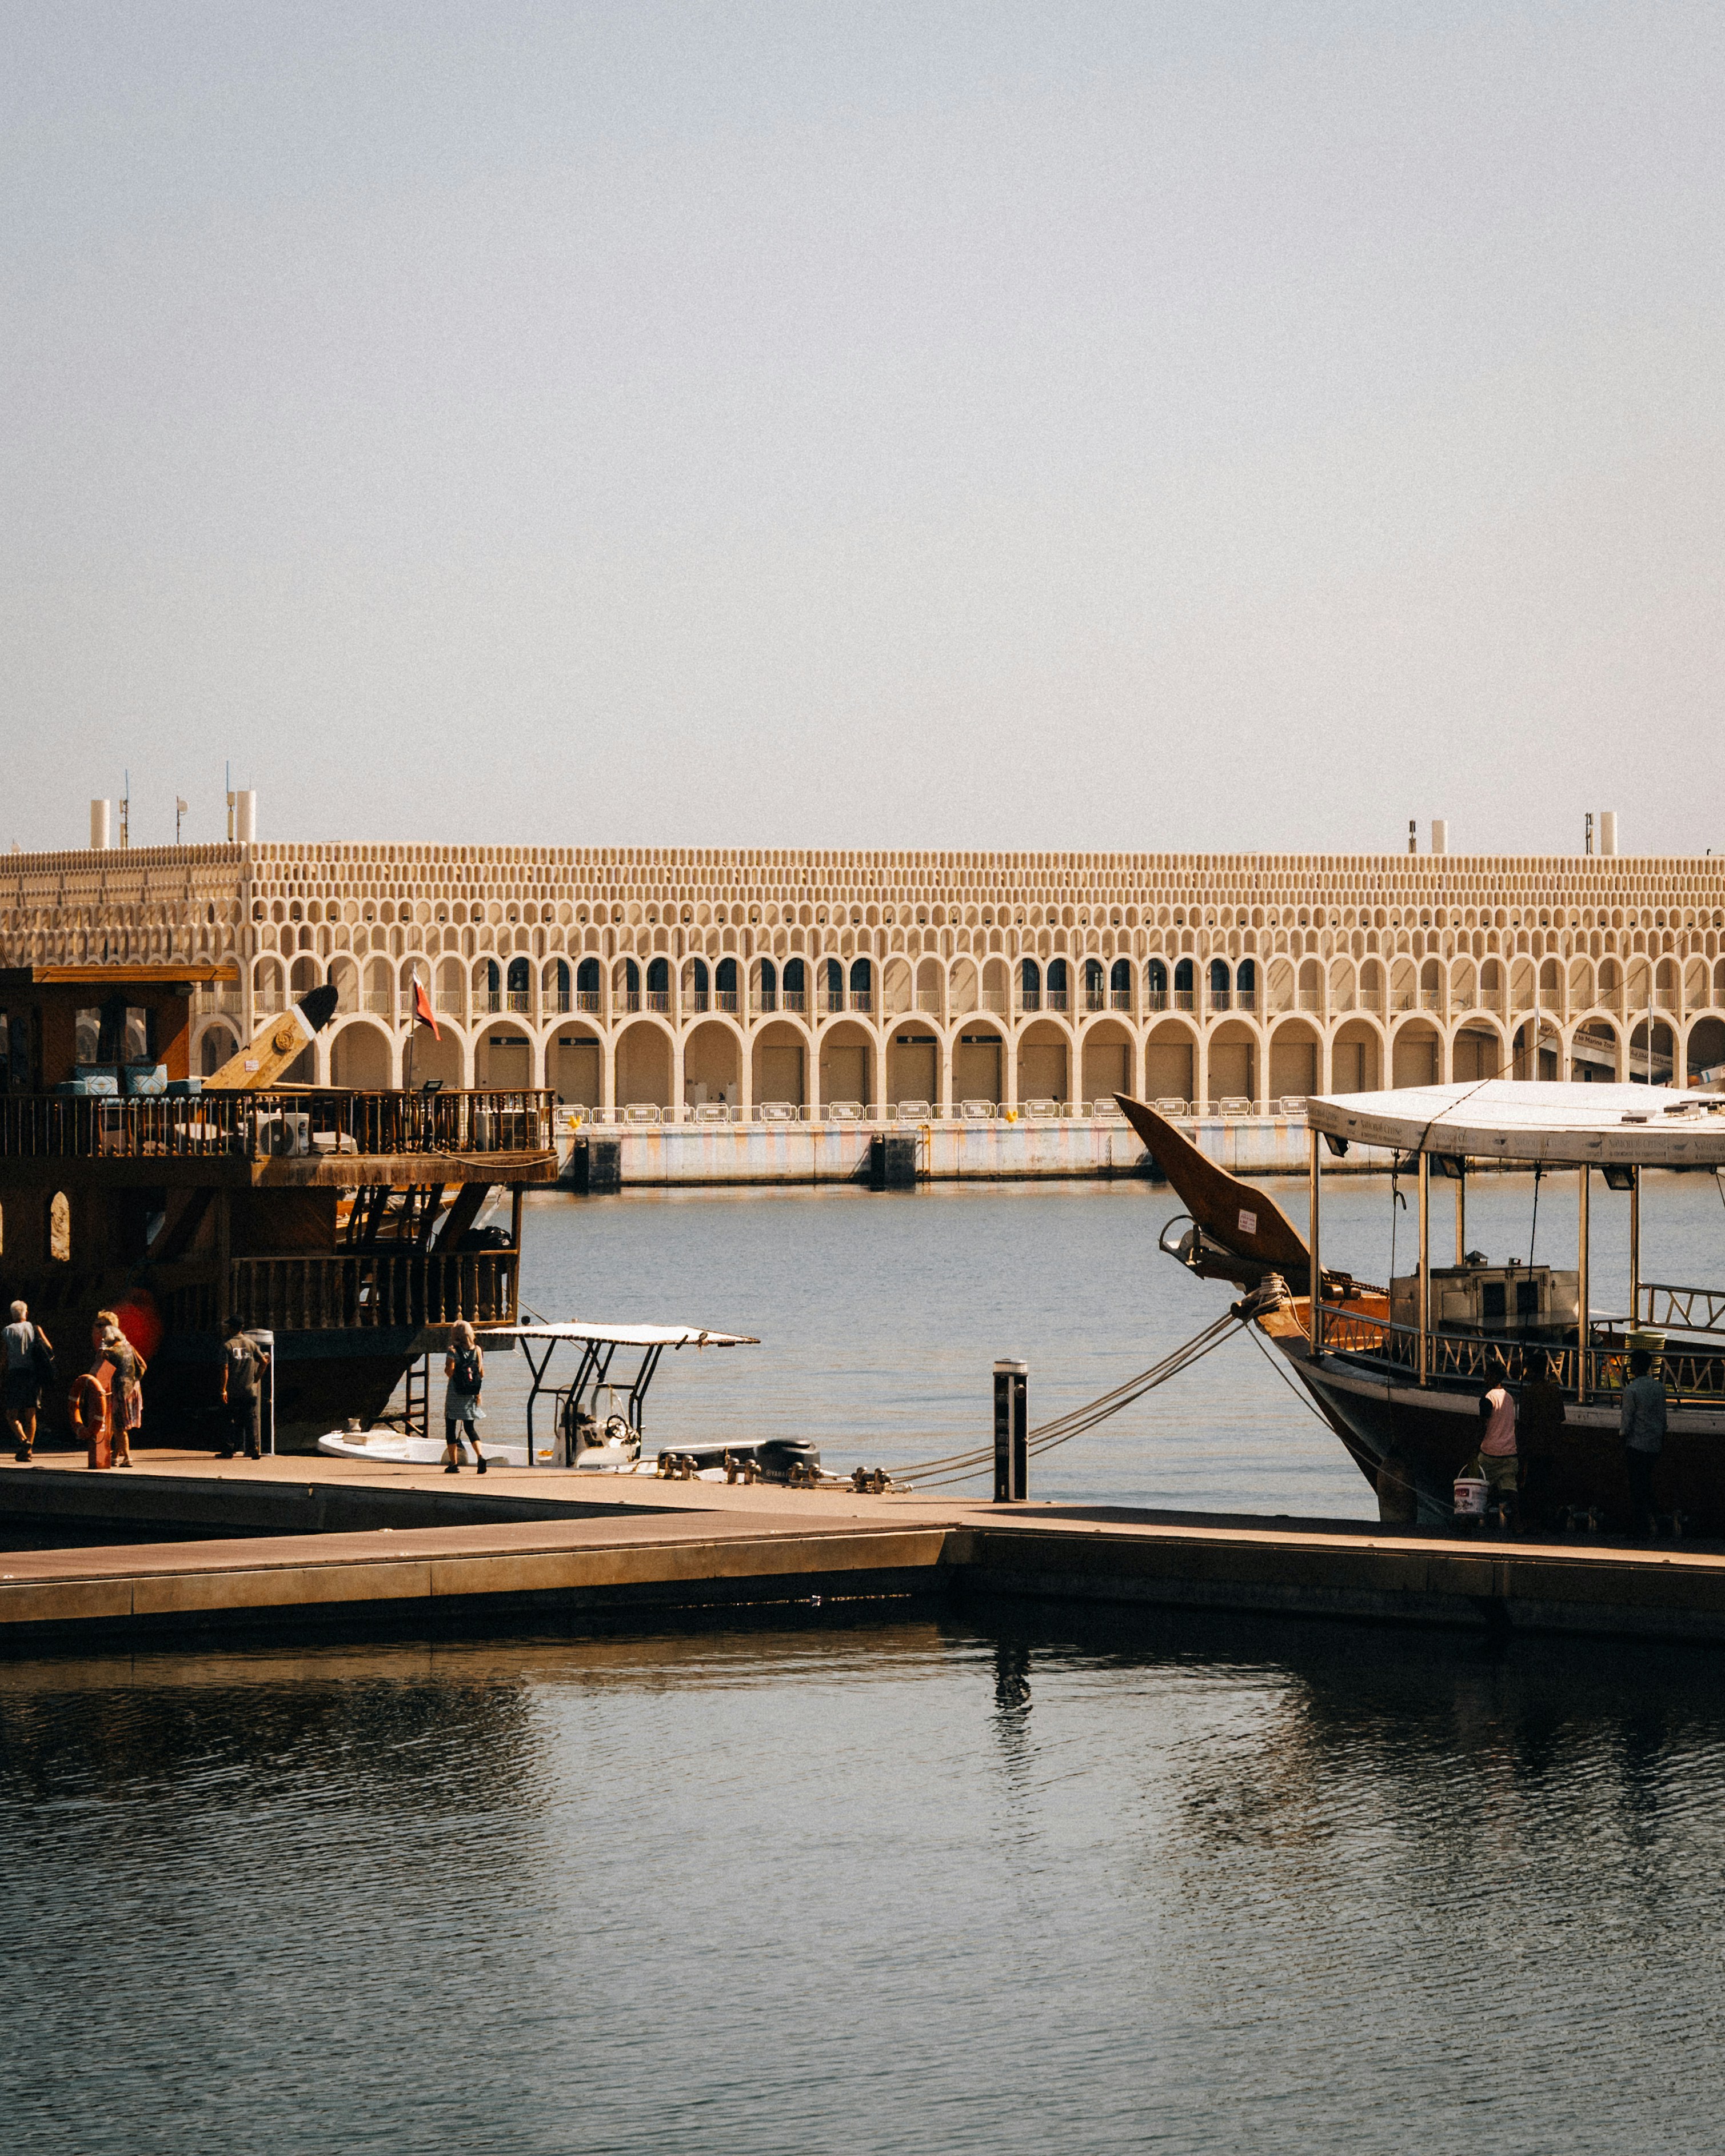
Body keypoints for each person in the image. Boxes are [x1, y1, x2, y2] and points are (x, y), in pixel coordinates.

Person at [1620, 1346, 1667, 1536]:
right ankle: (1656, 1520)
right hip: (1654, 1443)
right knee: (1645, 1483)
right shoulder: (1659, 1388)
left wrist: (1623, 1439)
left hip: (1637, 1443)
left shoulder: (1632, 1390)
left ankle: (1643, 1525)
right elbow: (1662, 1419)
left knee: (1638, 1486)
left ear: (1636, 1366)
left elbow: (1627, 1420)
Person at [1518, 1352, 1567, 1528]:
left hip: (1534, 1447)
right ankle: (1548, 1519)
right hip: (1552, 1446)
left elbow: (1524, 1422)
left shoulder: (1529, 1392)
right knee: (1547, 1485)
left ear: (1531, 1370)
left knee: (1532, 1485)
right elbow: (1560, 1418)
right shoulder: (1554, 1391)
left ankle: (1532, 1520)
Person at [1, 1301, 52, 1463]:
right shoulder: (35, 1328)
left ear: (12, 1314)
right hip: (32, 1375)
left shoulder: (6, 1331)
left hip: (15, 1375)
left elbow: (3, 1358)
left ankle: (24, 1442)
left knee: (11, 1415)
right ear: (26, 1313)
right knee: (31, 1414)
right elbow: (49, 1349)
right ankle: (29, 1451)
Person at [94, 1311, 143, 1469]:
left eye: (101, 1326)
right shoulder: (129, 1347)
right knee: (117, 1425)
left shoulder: (110, 1352)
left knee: (120, 1425)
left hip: (120, 1391)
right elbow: (143, 1365)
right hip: (132, 1389)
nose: (98, 1329)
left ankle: (128, 1458)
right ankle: (115, 1455)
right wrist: (134, 1379)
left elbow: (99, 1369)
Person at [218, 1316, 269, 1460]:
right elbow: (264, 1361)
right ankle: (253, 1449)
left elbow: (225, 1369)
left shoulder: (227, 1345)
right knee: (250, 1419)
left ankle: (229, 1449)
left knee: (229, 1419)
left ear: (232, 1328)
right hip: (249, 1390)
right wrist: (257, 1378)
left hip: (233, 1390)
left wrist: (223, 1389)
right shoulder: (251, 1344)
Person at [1477, 1358, 1518, 1525]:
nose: (1485, 1379)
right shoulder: (1509, 1398)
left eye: (1487, 1376)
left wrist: (1475, 1447)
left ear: (1494, 1377)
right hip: (1509, 1452)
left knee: (1478, 1486)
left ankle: (1469, 1519)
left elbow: (1483, 1426)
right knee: (1511, 1490)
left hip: (1490, 1452)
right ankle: (1517, 1523)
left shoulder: (1487, 1399)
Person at [442, 1321, 486, 1474]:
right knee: (470, 1428)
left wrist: (448, 1364)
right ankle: (480, 1457)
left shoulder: (453, 1350)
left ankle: (454, 1464)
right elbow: (481, 1373)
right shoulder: (478, 1350)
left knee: (450, 1428)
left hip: (455, 1394)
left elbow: (450, 1372)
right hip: (471, 1394)